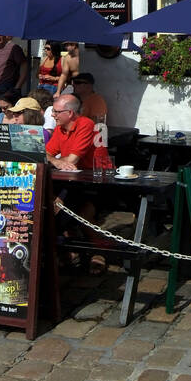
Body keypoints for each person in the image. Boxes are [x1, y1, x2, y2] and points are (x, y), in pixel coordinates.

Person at [46, 94, 111, 273]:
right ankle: (69, 248)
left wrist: (56, 161)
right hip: (73, 180)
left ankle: (99, 250)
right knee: (50, 203)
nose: (53, 115)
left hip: (97, 180)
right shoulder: (61, 129)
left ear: (70, 113)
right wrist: (57, 161)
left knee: (80, 211)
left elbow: (72, 160)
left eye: (57, 112)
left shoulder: (85, 124)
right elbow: (45, 154)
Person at [0, 36, 28, 119]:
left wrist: (18, 87)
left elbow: (24, 65)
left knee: (8, 115)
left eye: (0, 34)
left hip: (8, 88)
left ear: (5, 35)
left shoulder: (14, 48)